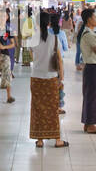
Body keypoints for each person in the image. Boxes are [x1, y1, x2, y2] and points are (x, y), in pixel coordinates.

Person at [28, 11, 68, 148]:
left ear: (37, 23)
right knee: (52, 108)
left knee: (37, 108)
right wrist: (61, 77)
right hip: (51, 78)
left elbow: (33, 57)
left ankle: (39, 140)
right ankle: (57, 140)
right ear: (49, 23)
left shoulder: (32, 39)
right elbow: (60, 60)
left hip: (36, 78)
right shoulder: (54, 38)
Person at [78, 8, 96, 135]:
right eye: (95, 17)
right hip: (92, 68)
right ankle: (90, 124)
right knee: (92, 97)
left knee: (91, 96)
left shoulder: (88, 33)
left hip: (91, 68)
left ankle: (88, 123)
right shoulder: (89, 35)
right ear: (89, 19)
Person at [0, 12, 16, 104]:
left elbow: (13, 44)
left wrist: (4, 47)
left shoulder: (8, 30)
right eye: (0, 16)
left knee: (7, 74)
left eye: (4, 16)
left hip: (5, 54)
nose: (2, 18)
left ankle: (9, 96)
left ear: (7, 17)